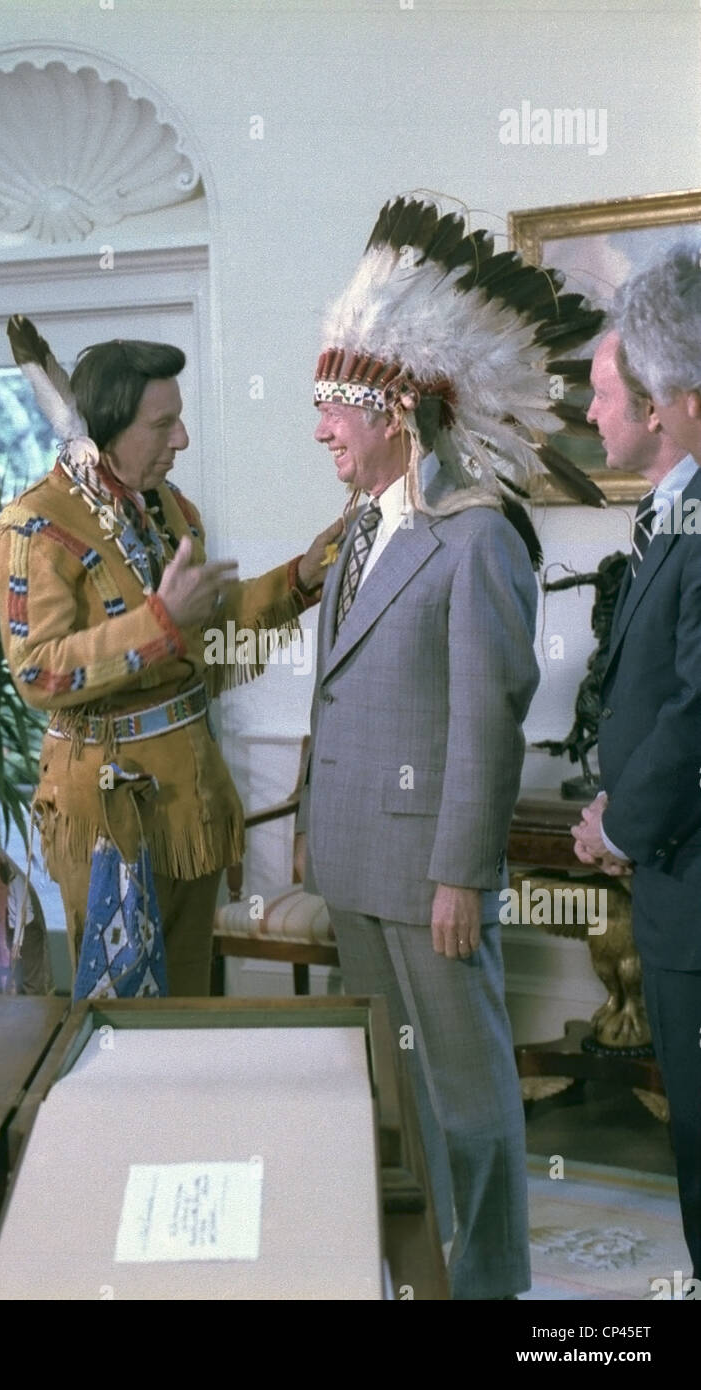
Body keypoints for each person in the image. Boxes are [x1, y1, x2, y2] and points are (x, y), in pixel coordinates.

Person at [296, 195, 604, 1300]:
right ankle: (422, 1273)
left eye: (336, 409)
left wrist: (460, 872)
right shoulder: (365, 530)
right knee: (397, 1088)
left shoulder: (476, 539)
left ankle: (487, 1286)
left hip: (428, 876)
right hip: (353, 866)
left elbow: (486, 716)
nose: (321, 428)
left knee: (470, 1097)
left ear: (396, 413)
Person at [0, 320, 341, 995]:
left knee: (185, 999)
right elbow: (39, 669)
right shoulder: (32, 527)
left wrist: (302, 578)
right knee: (121, 1012)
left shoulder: (171, 510)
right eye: (165, 423)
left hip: (191, 799)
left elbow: (204, 636)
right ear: (112, 429)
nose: (181, 438)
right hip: (109, 814)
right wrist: (157, 624)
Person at [573, 295, 701, 1281]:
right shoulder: (670, 514)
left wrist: (619, 822)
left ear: (661, 405)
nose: (586, 413)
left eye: (599, 390)